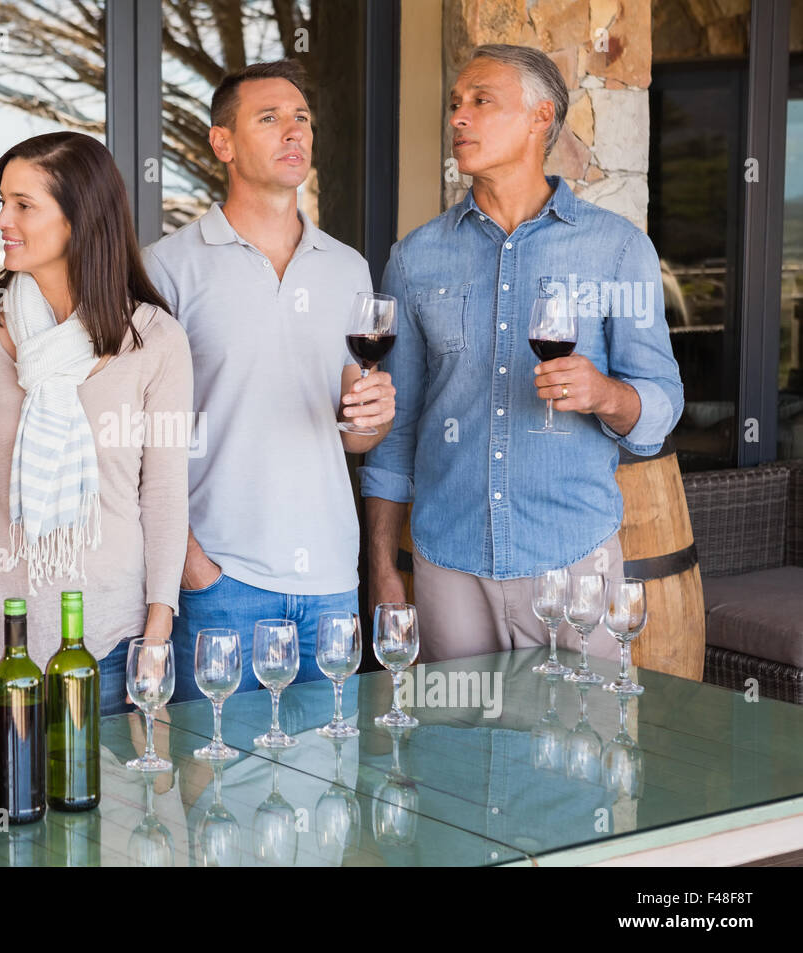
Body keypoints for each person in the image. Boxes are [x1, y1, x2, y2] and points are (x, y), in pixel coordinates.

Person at [363, 44, 684, 664]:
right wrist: (380, 568)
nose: (458, 117)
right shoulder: (414, 258)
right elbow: (394, 433)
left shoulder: (619, 250)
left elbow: (662, 403)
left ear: (542, 117)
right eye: (455, 103)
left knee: (584, 729)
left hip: (576, 564)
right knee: (451, 729)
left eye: (481, 101)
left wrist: (603, 394)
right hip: (449, 565)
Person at [0, 132, 193, 716]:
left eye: (23, 205)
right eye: (2, 202)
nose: (2, 221)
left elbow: (165, 495)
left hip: (108, 637)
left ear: (79, 218)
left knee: (101, 781)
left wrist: (158, 632)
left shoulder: (155, 340)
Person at [142, 59, 395, 702]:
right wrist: (192, 567)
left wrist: (374, 418)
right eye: (269, 118)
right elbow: (140, 437)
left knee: (330, 764)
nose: (293, 131)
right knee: (217, 764)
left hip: (332, 583)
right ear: (222, 143)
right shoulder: (166, 268)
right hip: (220, 584)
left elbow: (355, 437)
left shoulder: (347, 267)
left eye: (301, 118)